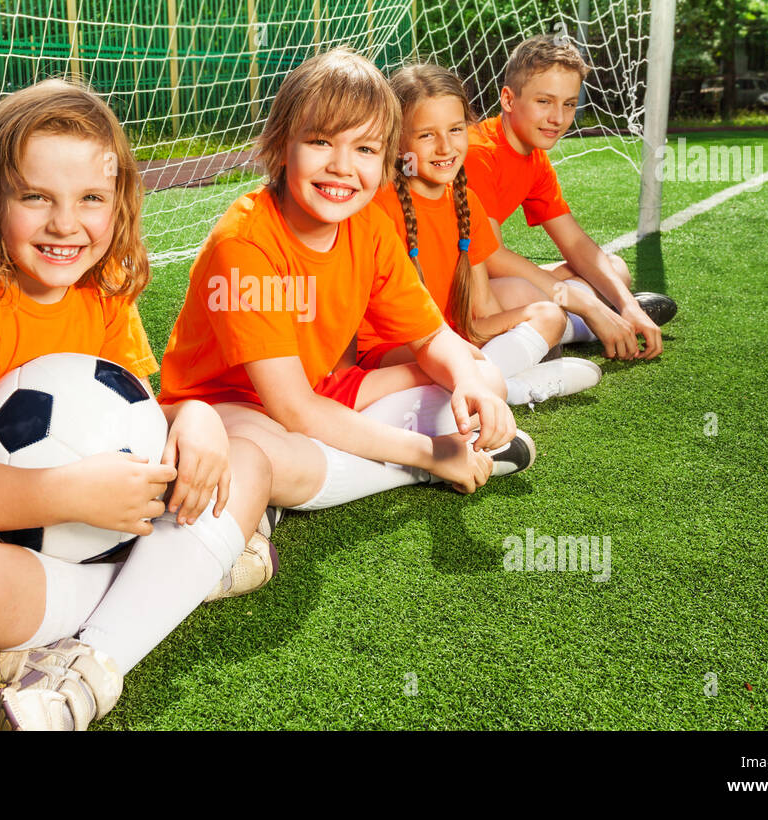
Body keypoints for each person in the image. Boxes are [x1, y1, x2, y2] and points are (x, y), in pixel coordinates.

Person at [0, 79, 272, 732]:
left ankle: (89, 651)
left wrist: (197, 419)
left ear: (119, 203)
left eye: (91, 199)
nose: (65, 224)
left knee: (246, 460)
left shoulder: (102, 290)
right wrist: (66, 494)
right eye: (36, 197)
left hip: (98, 535)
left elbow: (142, 421)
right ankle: (171, 586)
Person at [158, 48, 534, 529]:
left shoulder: (370, 226)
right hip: (228, 407)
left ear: (386, 161)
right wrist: (431, 453)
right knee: (275, 453)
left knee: (483, 373)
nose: (342, 166)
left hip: (320, 390)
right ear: (280, 146)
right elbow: (291, 408)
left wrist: (467, 383)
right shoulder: (245, 243)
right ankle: (416, 468)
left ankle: (287, 492)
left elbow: (434, 337)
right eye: (320, 142)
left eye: (365, 149)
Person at [357, 62, 602, 408]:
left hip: (452, 338)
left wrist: (489, 333)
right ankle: (510, 388)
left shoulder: (464, 201)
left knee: (549, 314)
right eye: (426, 135)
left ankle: (489, 384)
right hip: (394, 351)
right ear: (397, 141)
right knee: (447, 360)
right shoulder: (376, 206)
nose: (445, 147)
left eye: (455, 130)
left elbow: (482, 309)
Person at [464, 35, 676, 361]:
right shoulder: (477, 153)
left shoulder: (534, 158)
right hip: (455, 284)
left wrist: (627, 304)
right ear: (508, 99)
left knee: (615, 270)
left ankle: (592, 320)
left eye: (569, 104)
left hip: (485, 277)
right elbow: (491, 257)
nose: (558, 118)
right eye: (544, 102)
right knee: (531, 294)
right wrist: (589, 305)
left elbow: (575, 244)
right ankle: (580, 325)